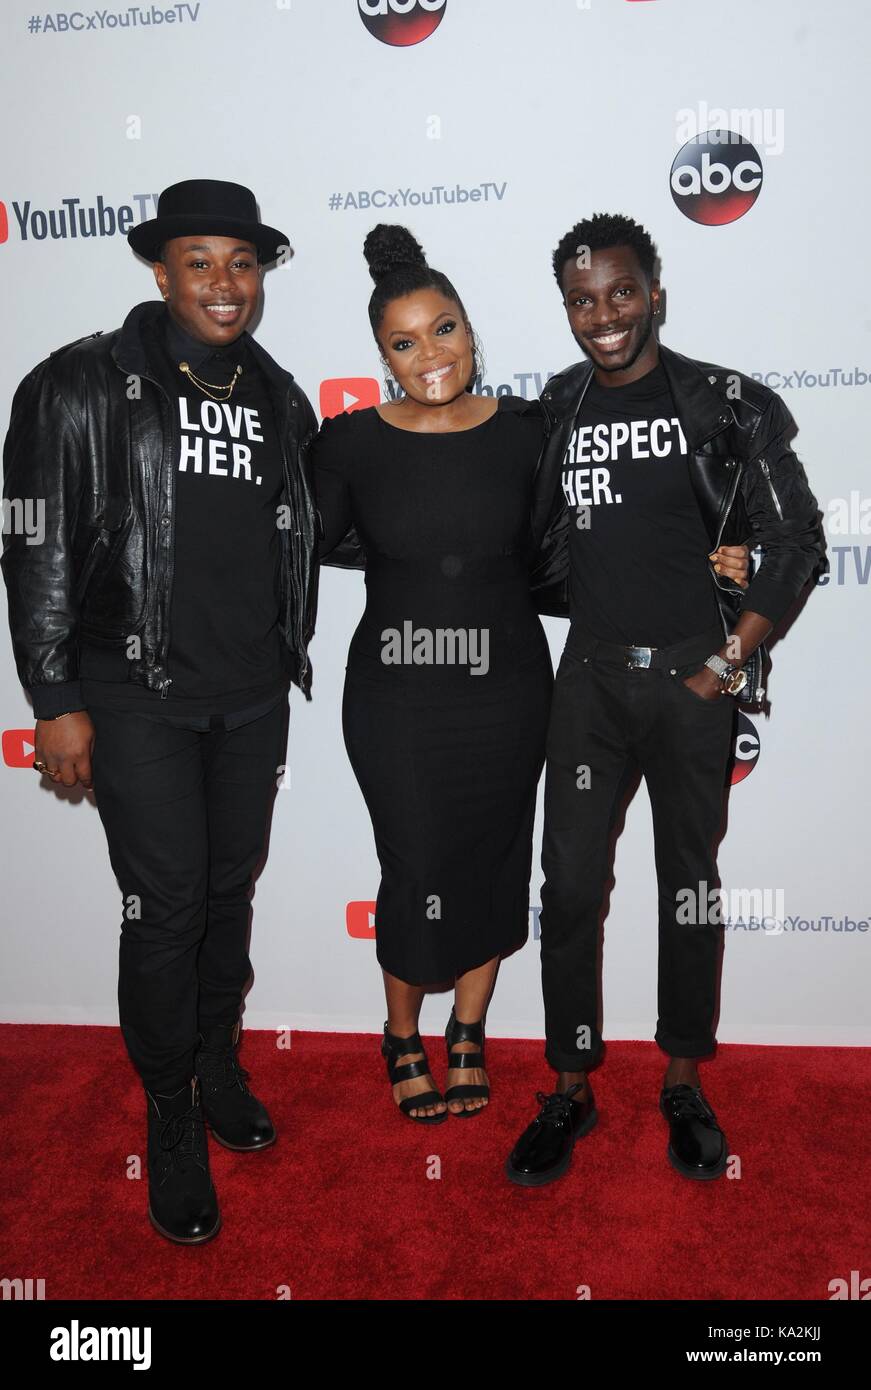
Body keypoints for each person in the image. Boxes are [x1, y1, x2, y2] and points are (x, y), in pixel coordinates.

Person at [313, 223, 749, 1125]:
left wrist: (716, 564)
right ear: (380, 356)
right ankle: (402, 1035)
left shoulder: (528, 428)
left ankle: (467, 1032)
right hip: (396, 697)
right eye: (402, 341)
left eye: (443, 330)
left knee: (501, 856)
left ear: (472, 333)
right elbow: (297, 547)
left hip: (511, 689)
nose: (427, 354)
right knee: (414, 862)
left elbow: (588, 533)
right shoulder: (348, 443)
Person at [1, 179, 318, 1243]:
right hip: (133, 696)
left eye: (243, 262)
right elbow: (34, 542)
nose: (225, 283)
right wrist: (53, 700)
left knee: (230, 893)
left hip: (251, 696)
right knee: (168, 904)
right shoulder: (80, 384)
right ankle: (169, 1109)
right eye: (200, 260)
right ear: (158, 268)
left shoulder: (280, 398)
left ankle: (220, 1065)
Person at [505, 213, 826, 1187]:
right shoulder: (555, 409)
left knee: (687, 881)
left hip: (695, 675)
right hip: (591, 678)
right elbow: (513, 531)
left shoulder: (723, 404)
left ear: (654, 293)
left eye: (618, 293)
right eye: (580, 299)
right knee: (567, 889)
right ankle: (569, 1081)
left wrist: (728, 662)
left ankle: (681, 1077)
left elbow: (798, 543)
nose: (601, 315)